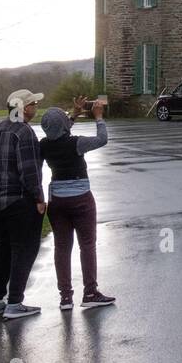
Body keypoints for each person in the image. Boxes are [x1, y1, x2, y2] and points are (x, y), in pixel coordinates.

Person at [40, 96, 115, 311]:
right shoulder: (77, 143)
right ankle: (90, 291)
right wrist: (98, 117)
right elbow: (102, 139)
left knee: (62, 247)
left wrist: (73, 114)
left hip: (57, 201)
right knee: (87, 245)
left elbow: (59, 131)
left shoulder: (44, 145)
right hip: (81, 198)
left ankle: (65, 297)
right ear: (64, 125)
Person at [0, 89, 46, 321]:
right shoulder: (24, 132)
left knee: (1, 247)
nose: (36, 108)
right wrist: (39, 199)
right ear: (24, 108)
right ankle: (15, 302)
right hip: (18, 201)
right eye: (33, 104)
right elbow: (29, 172)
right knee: (24, 248)